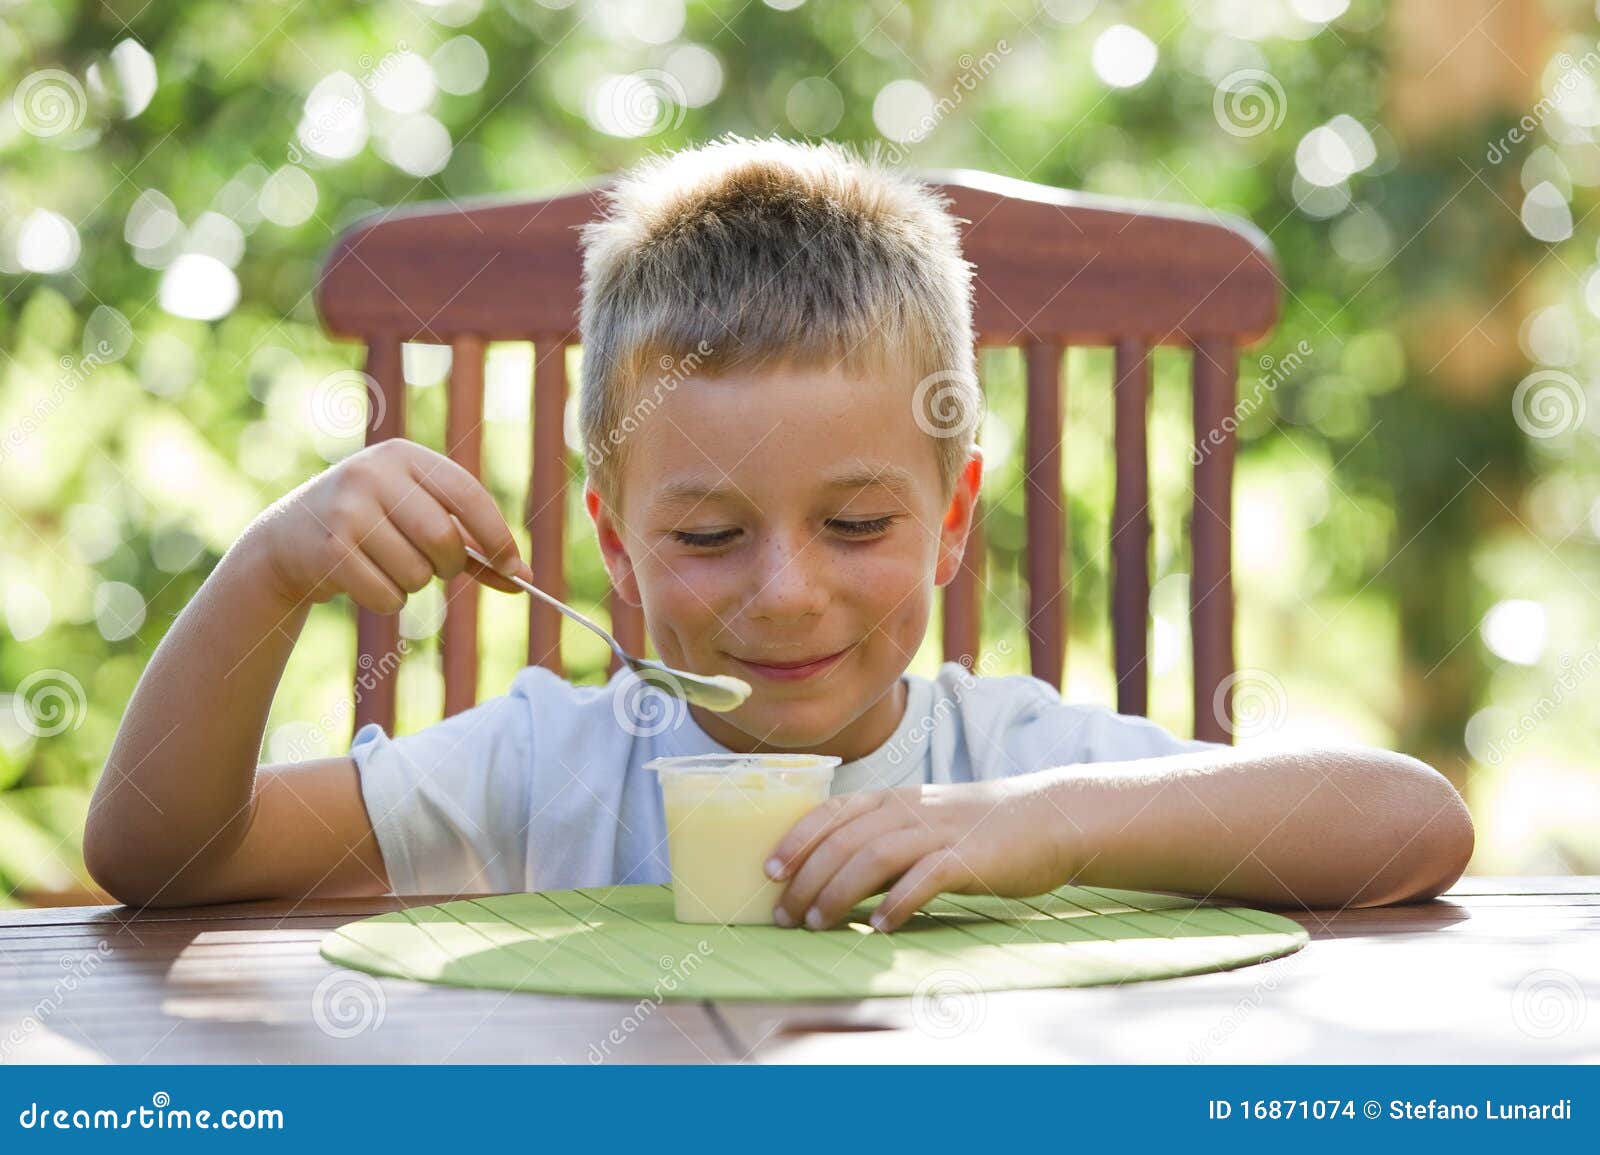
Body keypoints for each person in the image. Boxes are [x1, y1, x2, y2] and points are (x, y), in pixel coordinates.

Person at [86, 136, 1473, 932]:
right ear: (612, 550)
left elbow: (1413, 825)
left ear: (950, 524)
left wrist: (1043, 828)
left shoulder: (1007, 768)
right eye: (705, 537)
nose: (789, 593)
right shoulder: (543, 773)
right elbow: (165, 861)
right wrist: (269, 572)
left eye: (858, 521)